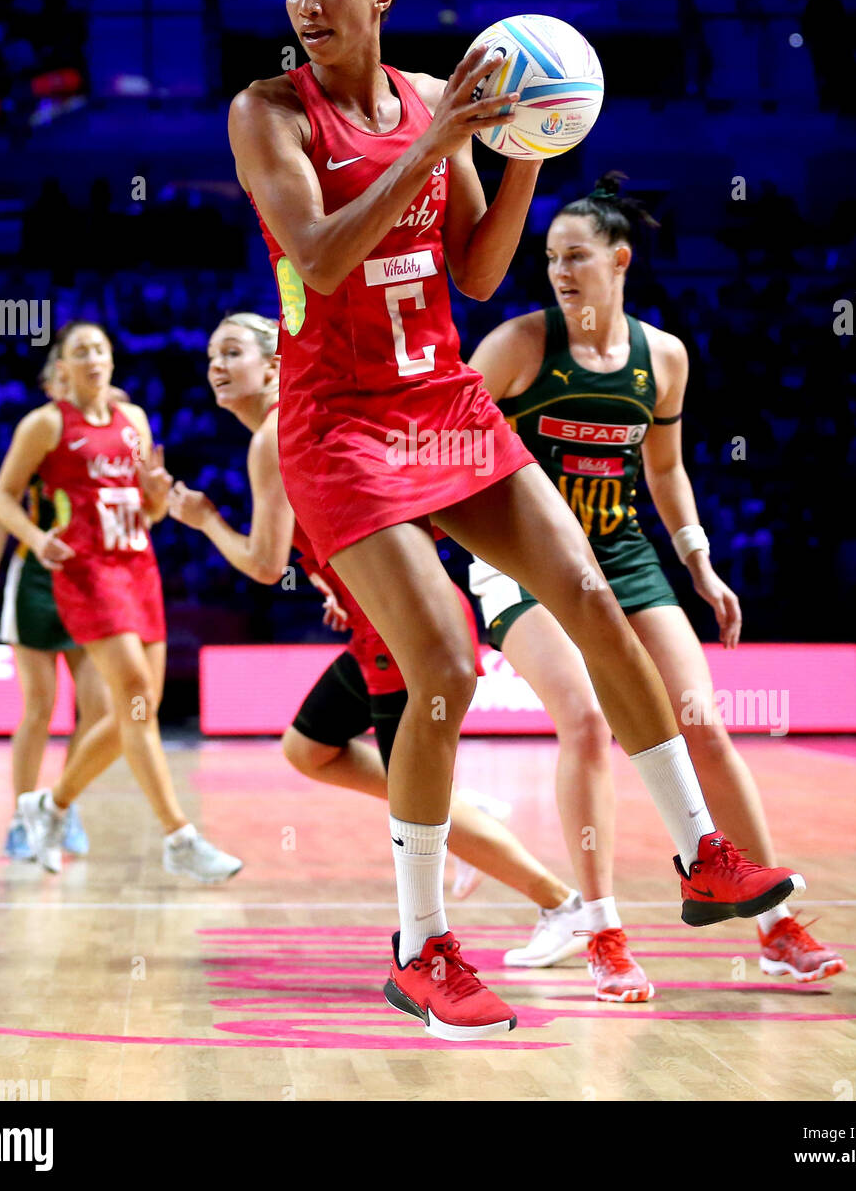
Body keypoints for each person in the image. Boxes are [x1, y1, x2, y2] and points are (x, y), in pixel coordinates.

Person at [230, 0, 803, 1040]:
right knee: (442, 668)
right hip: (339, 426)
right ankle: (422, 946)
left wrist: (530, 149)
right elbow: (325, 259)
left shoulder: (438, 93)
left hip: (442, 398)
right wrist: (439, 142)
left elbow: (480, 275)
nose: (305, 1)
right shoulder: (270, 112)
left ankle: (703, 855)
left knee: (592, 592)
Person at [465, 175, 845, 991]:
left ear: (619, 260)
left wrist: (699, 560)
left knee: (701, 724)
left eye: (575, 256)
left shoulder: (662, 357)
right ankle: (602, 932)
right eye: (549, 258)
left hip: (625, 554)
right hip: (520, 561)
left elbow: (663, 469)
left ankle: (774, 924)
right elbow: (450, 444)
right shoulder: (518, 345)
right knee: (585, 718)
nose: (559, 271)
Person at [169, 312, 579, 918]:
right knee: (308, 749)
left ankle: (560, 905)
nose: (217, 367)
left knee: (407, 791)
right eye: (211, 356)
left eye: (232, 353)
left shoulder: (273, 436)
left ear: (275, 367)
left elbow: (261, 563)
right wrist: (331, 579)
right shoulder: (297, 428)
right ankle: (455, 804)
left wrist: (204, 519)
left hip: (399, 629)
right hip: (380, 623)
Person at [0, 320, 242, 883]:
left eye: (100, 348)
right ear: (64, 366)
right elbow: (0, 497)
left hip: (138, 567)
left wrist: (155, 499)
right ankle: (180, 836)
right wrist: (35, 540)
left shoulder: (134, 420)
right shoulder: (46, 424)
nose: (93, 358)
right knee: (129, 699)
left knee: (137, 710)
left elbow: (147, 510)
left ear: (111, 360)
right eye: (81, 351)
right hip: (85, 574)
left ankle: (50, 806)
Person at [0, 346, 123, 859]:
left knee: (99, 707)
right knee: (39, 708)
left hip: (93, 580)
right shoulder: (37, 435)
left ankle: (62, 806)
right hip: (37, 581)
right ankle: (21, 817)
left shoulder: (112, 426)